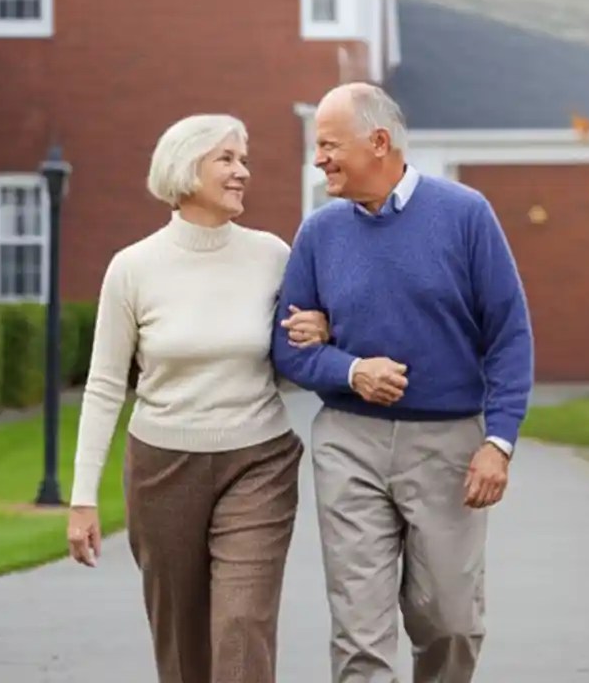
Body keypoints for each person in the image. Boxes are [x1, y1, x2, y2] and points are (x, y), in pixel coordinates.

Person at [272, 83, 535, 683]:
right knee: (359, 631)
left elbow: (510, 335)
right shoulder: (319, 234)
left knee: (450, 622)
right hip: (349, 441)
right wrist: (350, 370)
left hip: (449, 446)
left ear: (379, 143)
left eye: (330, 145)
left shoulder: (466, 215)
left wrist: (499, 441)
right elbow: (287, 346)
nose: (320, 160)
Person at [66, 113, 330, 683]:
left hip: (258, 461)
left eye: (244, 159)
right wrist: (83, 497)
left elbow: (291, 365)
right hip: (162, 469)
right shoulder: (133, 268)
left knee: (241, 625)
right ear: (186, 170)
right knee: (182, 641)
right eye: (227, 160)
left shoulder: (273, 256)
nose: (243, 172)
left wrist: (319, 334)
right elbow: (106, 385)